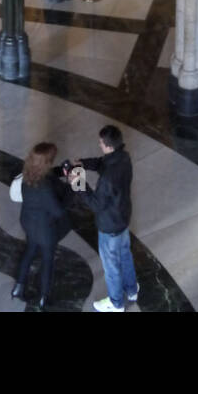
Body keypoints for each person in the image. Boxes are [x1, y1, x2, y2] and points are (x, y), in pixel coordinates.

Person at [69, 124, 137, 313]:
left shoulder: (108, 178)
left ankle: (116, 303)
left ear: (108, 145)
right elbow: (102, 162)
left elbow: (96, 204)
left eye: (101, 143)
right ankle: (132, 290)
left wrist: (78, 183)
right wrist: (82, 163)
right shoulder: (123, 157)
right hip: (123, 218)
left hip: (109, 225)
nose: (99, 145)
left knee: (111, 267)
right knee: (125, 256)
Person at [11, 142, 71, 308]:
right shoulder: (44, 186)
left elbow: (50, 175)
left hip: (28, 223)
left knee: (29, 251)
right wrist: (72, 190)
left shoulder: (28, 174)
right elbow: (58, 211)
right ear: (46, 163)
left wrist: (62, 171)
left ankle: (18, 288)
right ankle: (44, 298)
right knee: (47, 260)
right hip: (45, 229)